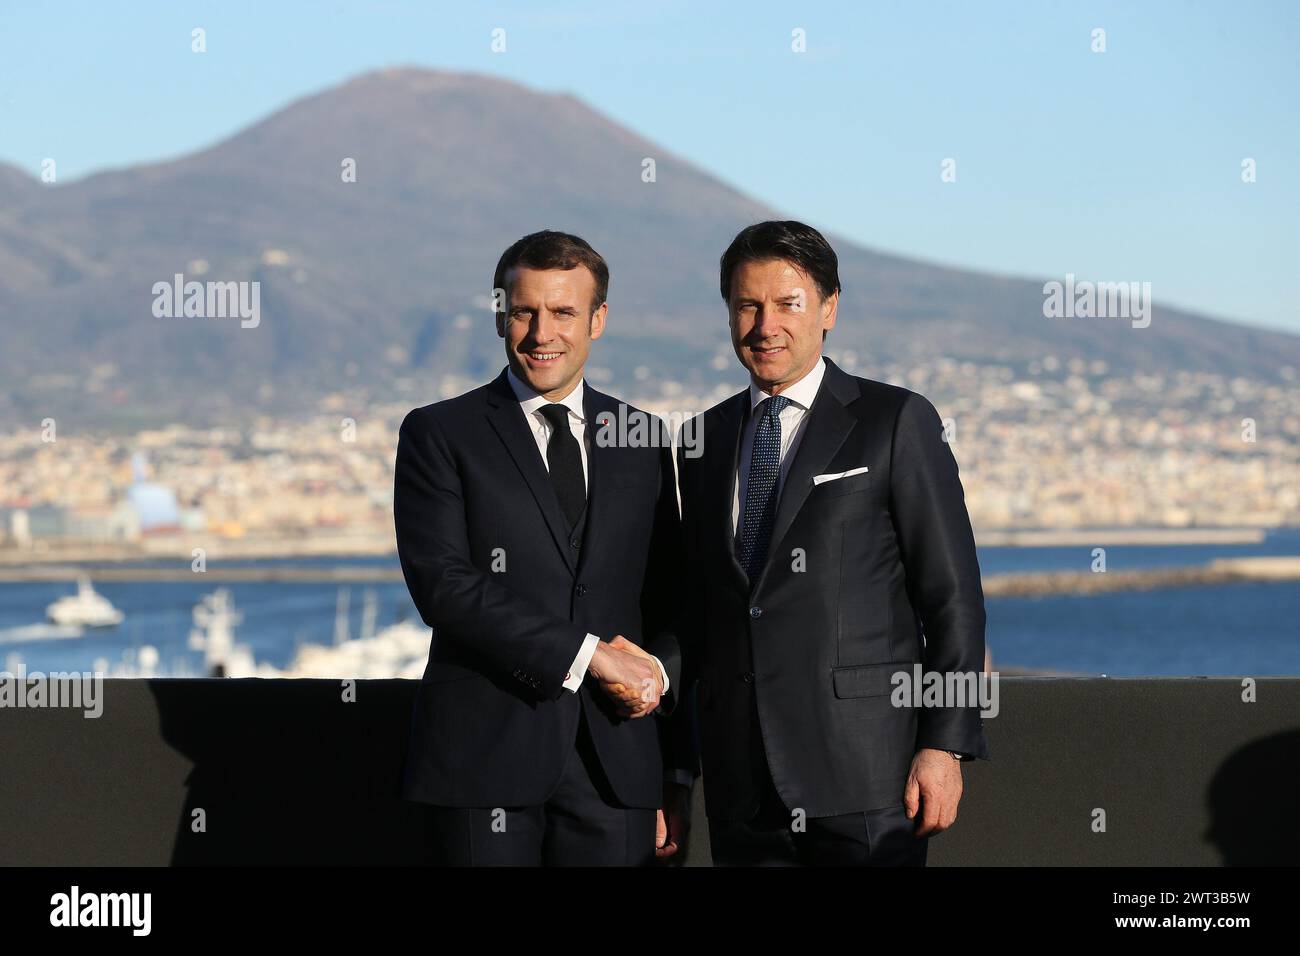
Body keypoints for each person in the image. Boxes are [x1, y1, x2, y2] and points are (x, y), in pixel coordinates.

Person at [669, 220, 989, 865]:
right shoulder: (700, 440)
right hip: (742, 786)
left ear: (829, 308)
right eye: (747, 305)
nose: (766, 325)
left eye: (787, 303)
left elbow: (953, 598)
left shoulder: (895, 421)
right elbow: (697, 617)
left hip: (868, 776)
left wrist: (946, 746)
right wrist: (677, 774)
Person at [394, 230, 685, 865]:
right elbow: (443, 586)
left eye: (563, 313)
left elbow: (670, 594)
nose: (541, 334)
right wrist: (591, 657)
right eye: (524, 312)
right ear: (501, 313)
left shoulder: (642, 438)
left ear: (598, 319)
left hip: (618, 767)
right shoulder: (440, 433)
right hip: (483, 760)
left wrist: (658, 680)